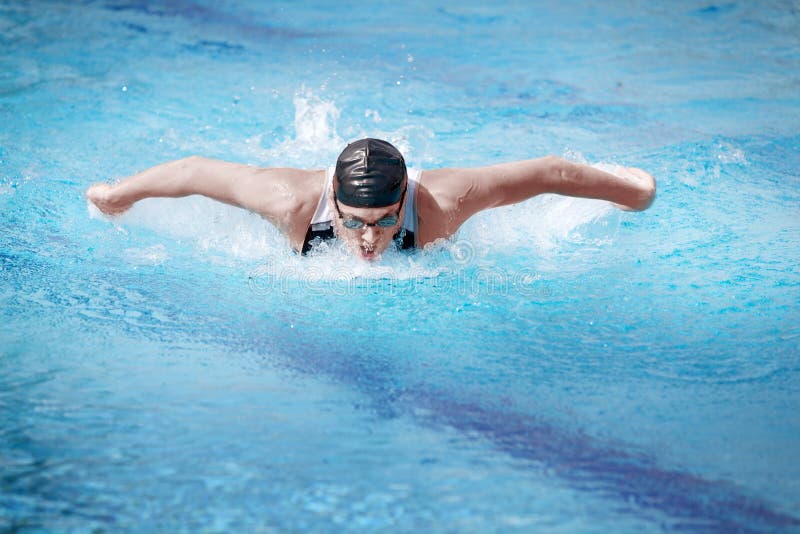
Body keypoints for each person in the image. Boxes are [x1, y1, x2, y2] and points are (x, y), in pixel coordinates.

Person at [86, 138, 655, 261]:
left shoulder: (440, 207)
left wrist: (635, 193)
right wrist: (117, 197)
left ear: (403, 198)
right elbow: (192, 171)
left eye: (384, 223)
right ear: (333, 198)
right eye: (355, 221)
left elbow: (547, 172)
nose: (368, 238)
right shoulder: (289, 203)